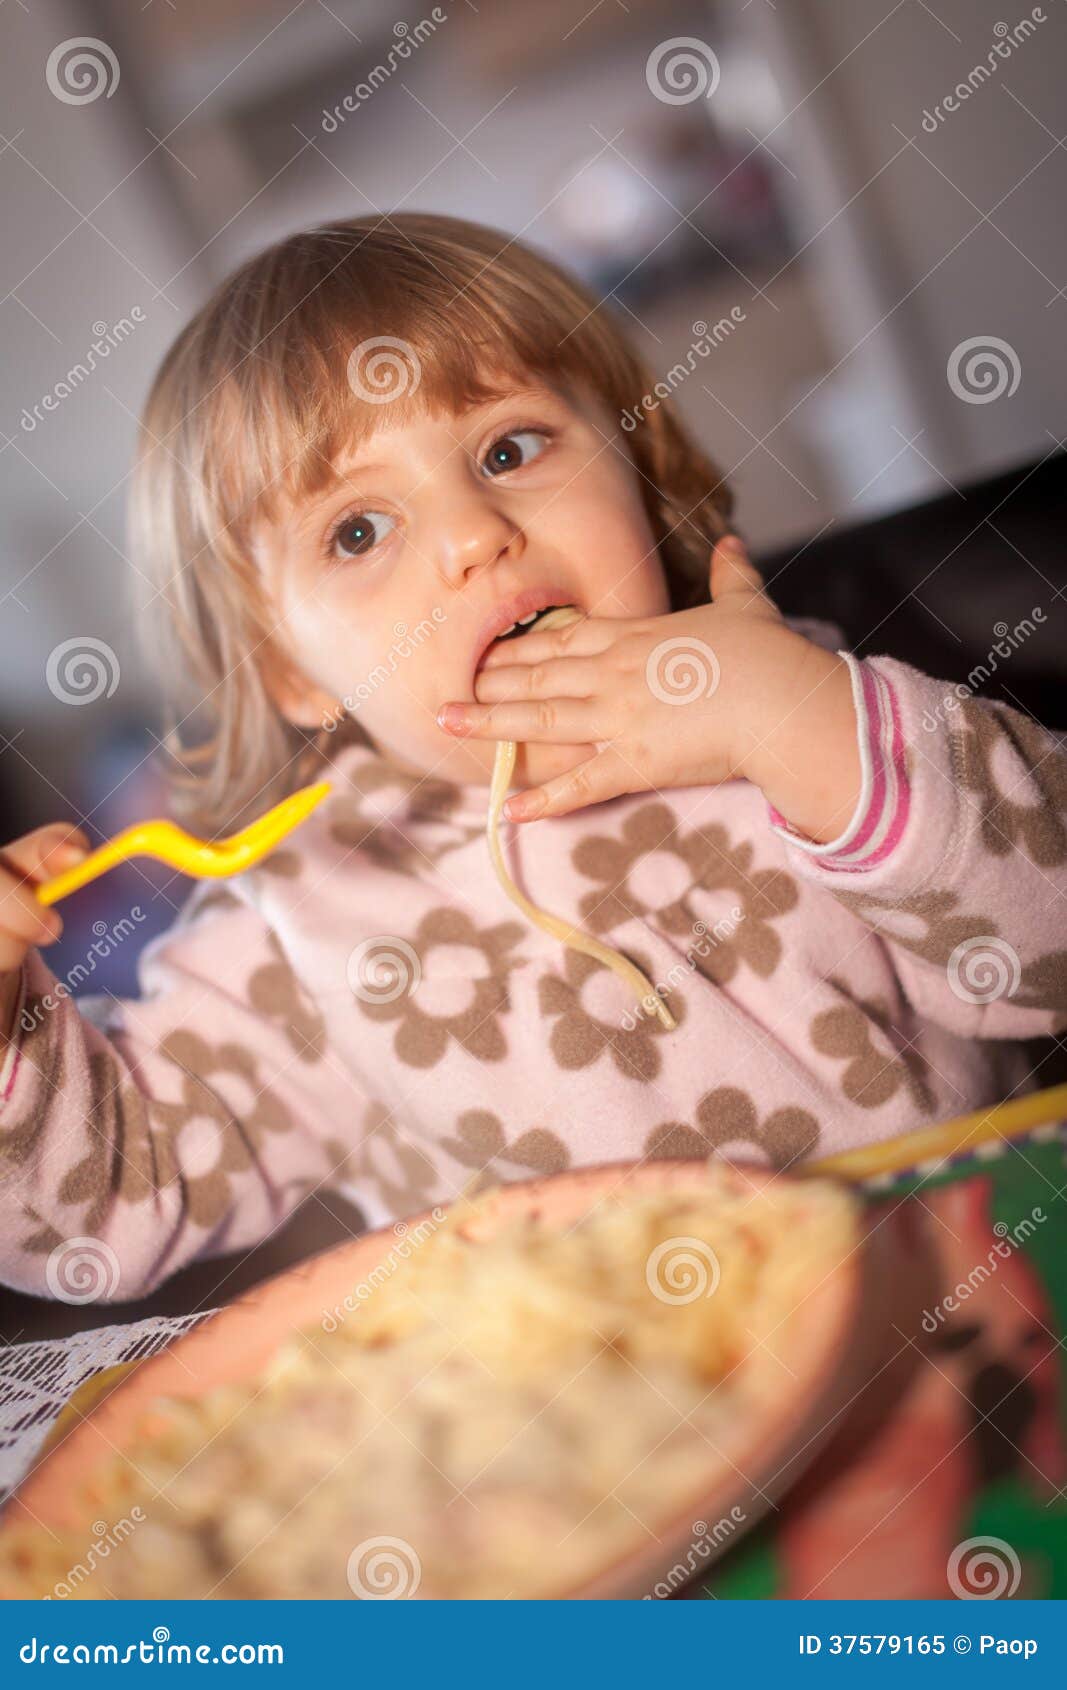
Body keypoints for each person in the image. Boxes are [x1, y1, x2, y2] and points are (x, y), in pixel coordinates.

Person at [1, 213, 1063, 1303]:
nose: (473, 533)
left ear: (638, 478)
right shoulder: (304, 922)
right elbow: (105, 1213)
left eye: (508, 450)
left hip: (953, 1323)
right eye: (358, 531)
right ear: (290, 672)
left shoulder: (799, 716)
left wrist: (792, 721)